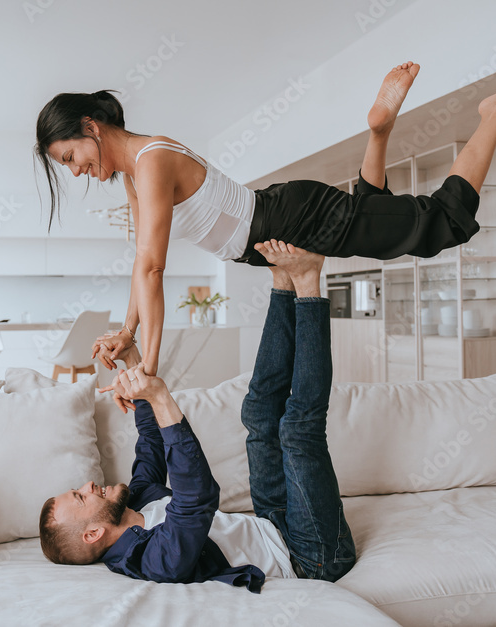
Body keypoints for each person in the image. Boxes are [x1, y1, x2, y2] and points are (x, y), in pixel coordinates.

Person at [35, 63, 496, 377]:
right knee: (370, 213)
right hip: (281, 218)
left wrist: (148, 363)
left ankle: (495, 112)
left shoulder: (150, 162)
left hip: (288, 222)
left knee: (442, 226)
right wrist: (127, 330)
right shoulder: (136, 170)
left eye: (70, 155)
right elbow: (139, 266)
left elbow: (152, 269)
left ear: (90, 126)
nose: (76, 170)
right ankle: (379, 131)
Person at [38, 240, 355, 588]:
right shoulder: (156, 560)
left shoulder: (137, 504)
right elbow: (197, 498)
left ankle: (282, 280)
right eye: (82, 497)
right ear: (93, 533)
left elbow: (150, 445)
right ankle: (309, 281)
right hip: (310, 556)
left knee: (259, 411)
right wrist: (159, 397)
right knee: (297, 429)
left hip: (272, 519)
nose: (88, 485)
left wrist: (133, 363)